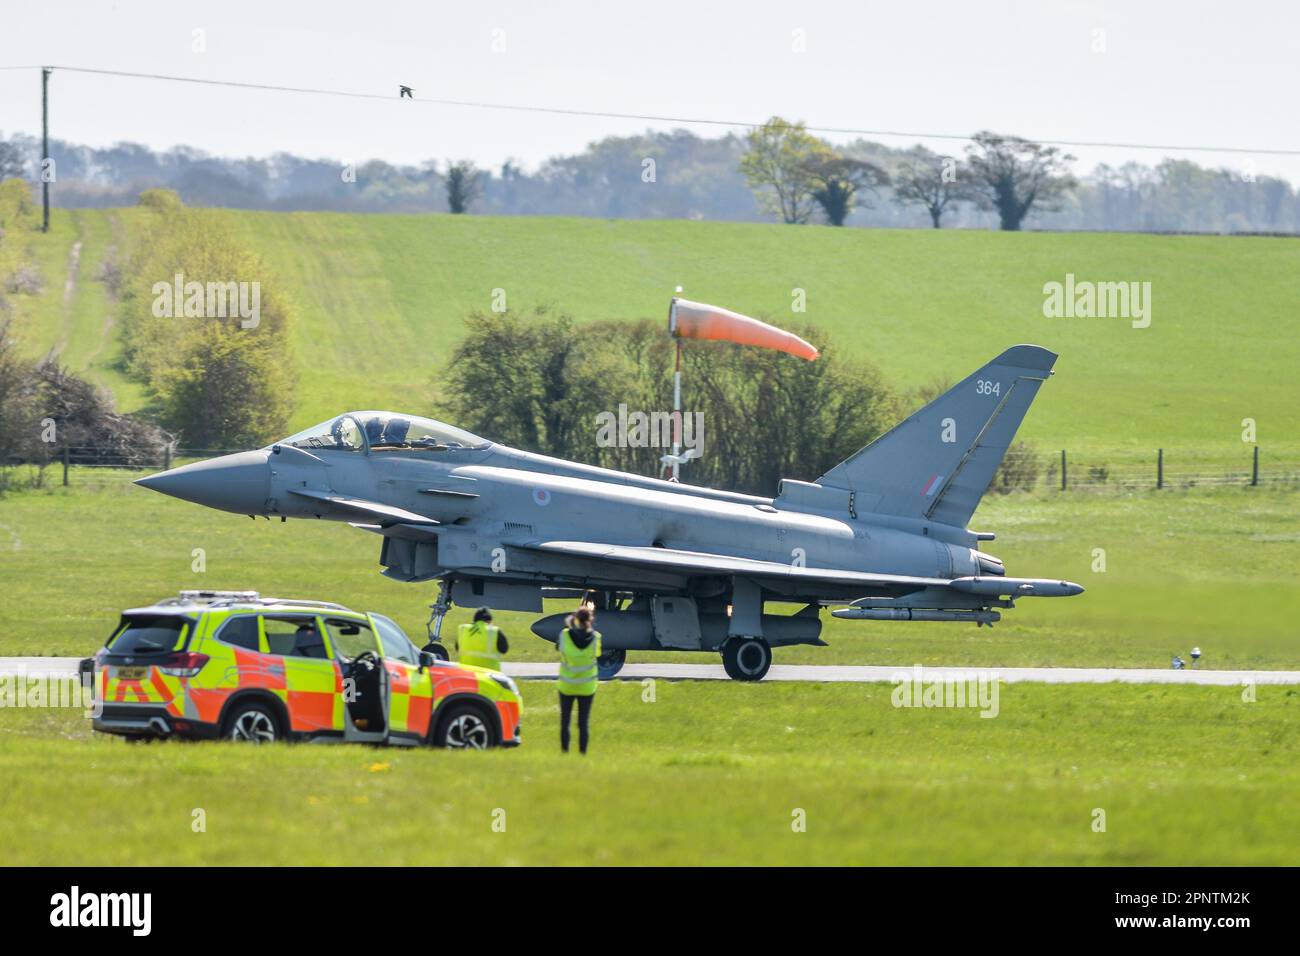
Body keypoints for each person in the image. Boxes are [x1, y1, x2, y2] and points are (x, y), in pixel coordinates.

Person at [557, 606, 601, 754]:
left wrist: (569, 625)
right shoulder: (596, 638)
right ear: (590, 620)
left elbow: (560, 647)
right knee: (583, 723)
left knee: (565, 722)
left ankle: (565, 753)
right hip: (587, 687)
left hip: (566, 686)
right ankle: (582, 754)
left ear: (575, 618)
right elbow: (597, 654)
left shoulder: (564, 635)